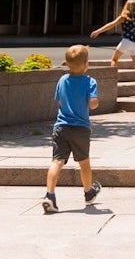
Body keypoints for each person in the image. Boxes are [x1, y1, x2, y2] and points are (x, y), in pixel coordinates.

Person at [43, 44, 101, 214]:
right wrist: (93, 102)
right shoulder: (90, 81)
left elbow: (60, 100)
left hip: (61, 126)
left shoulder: (62, 80)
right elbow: (93, 103)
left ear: (67, 64)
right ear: (85, 64)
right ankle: (88, 192)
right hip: (80, 128)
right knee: (84, 163)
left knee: (57, 161)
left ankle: (50, 195)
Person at [90, 0, 135, 97]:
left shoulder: (123, 17)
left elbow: (111, 25)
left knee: (114, 60)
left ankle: (111, 80)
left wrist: (98, 31)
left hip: (126, 41)